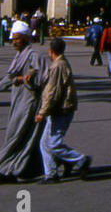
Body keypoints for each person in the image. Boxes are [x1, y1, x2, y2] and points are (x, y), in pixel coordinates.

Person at [0, 20, 49, 182]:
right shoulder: (19, 57)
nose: (14, 42)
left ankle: (1, 168)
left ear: (25, 38)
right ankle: (25, 169)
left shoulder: (34, 56)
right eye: (13, 39)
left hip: (30, 103)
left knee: (16, 136)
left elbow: (42, 79)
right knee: (24, 138)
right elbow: (7, 80)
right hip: (18, 102)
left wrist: (23, 78)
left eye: (17, 38)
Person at [34, 37, 90, 183]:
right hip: (58, 109)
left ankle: (79, 159)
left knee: (53, 143)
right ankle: (51, 173)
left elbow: (52, 92)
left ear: (51, 50)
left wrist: (42, 112)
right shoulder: (60, 64)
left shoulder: (57, 66)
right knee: (45, 143)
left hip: (62, 109)